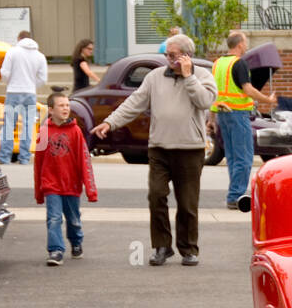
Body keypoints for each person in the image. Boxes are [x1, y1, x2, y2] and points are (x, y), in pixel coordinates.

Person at [92, 33, 216, 266]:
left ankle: (188, 249)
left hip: (190, 149)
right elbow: (133, 103)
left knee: (187, 203)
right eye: (167, 55)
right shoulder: (154, 77)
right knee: (156, 196)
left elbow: (204, 101)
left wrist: (188, 77)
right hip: (159, 148)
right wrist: (110, 122)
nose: (167, 59)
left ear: (187, 56)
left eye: (173, 55)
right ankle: (161, 247)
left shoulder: (203, 76)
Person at [211, 31, 276, 209]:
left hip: (222, 115)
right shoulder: (239, 63)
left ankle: (234, 193)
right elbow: (247, 89)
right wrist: (267, 100)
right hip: (238, 114)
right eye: (245, 42)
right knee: (244, 158)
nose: (246, 46)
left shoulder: (217, 64)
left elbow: (213, 92)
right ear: (239, 44)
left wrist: (211, 117)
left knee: (232, 157)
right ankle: (235, 196)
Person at [34, 91, 98, 266]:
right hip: (51, 184)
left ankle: (76, 242)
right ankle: (55, 250)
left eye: (67, 105)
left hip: (71, 184)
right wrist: (39, 191)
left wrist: (91, 191)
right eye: (61, 105)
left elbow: (85, 160)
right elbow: (38, 162)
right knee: (54, 218)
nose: (65, 108)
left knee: (74, 220)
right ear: (51, 110)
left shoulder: (76, 131)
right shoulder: (44, 131)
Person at [0, 30, 47, 165]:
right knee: (28, 125)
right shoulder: (40, 56)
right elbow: (43, 78)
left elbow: (5, 72)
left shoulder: (12, 52)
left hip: (13, 91)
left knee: (9, 125)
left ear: (18, 39)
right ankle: (24, 158)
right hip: (30, 93)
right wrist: (32, 85)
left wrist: (10, 83)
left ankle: (4, 157)